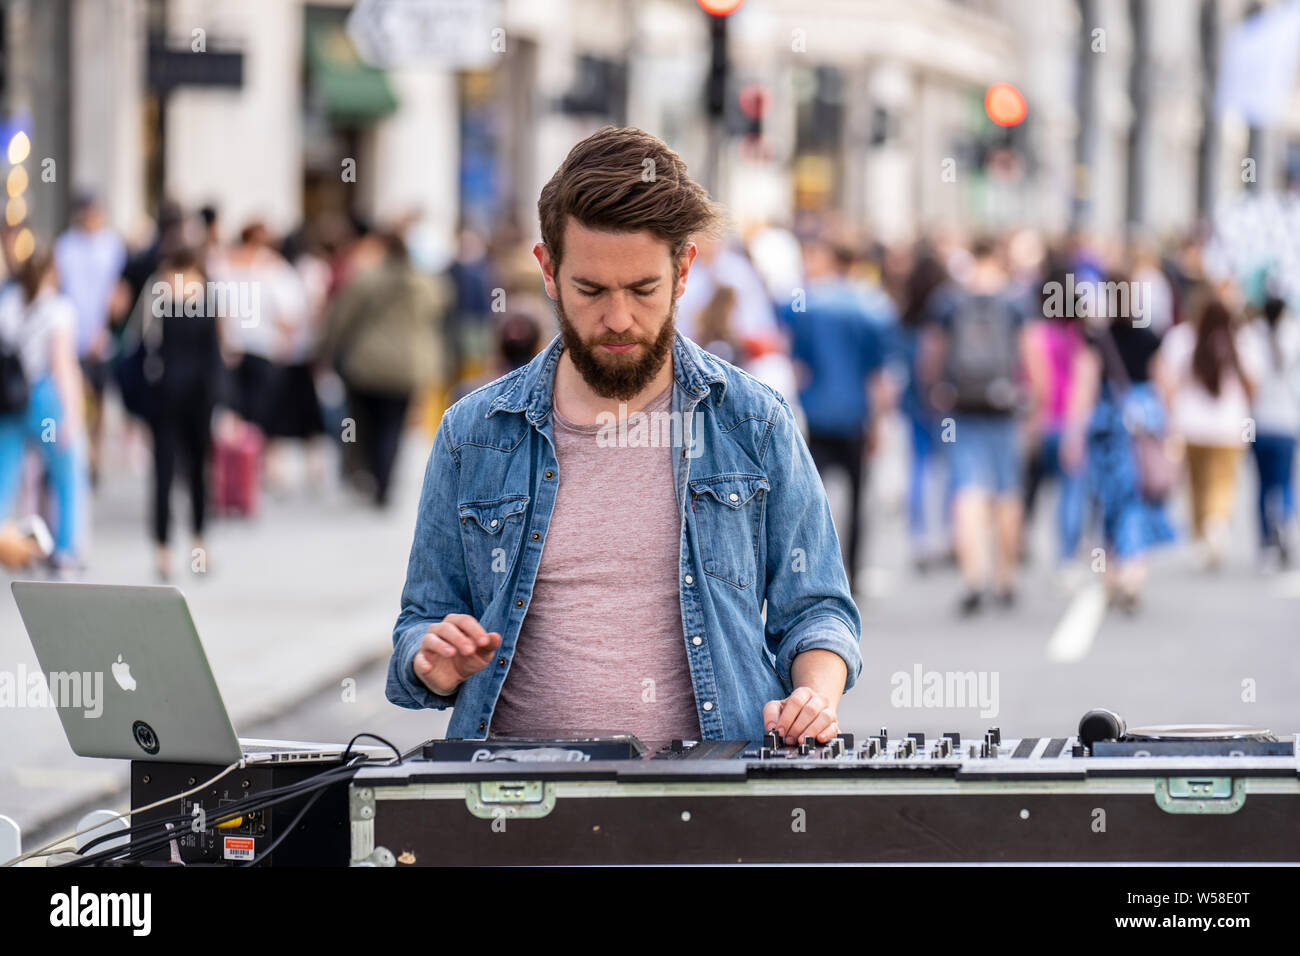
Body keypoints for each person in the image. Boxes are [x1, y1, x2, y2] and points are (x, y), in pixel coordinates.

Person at [385, 125, 862, 745]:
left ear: (683, 270)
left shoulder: (755, 421)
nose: (618, 319)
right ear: (548, 271)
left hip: (711, 807)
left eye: (643, 290)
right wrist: (434, 660)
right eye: (590, 290)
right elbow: (420, 624)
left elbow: (819, 608)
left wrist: (814, 696)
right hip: (516, 813)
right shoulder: (473, 433)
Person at [921, 236, 1030, 614]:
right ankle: (1006, 577)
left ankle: (973, 577)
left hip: (960, 405)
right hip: (1003, 406)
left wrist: (933, 391)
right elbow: (1031, 355)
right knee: (1006, 492)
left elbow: (933, 350)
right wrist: (1034, 402)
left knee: (966, 491)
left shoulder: (950, 300)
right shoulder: (1016, 300)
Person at [778, 235, 889, 596]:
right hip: (855, 416)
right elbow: (877, 375)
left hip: (818, 414)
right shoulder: (869, 307)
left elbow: (798, 365)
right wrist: (878, 422)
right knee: (858, 499)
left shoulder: (808, 306)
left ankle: (810, 571)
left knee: (810, 501)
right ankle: (852, 574)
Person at [318, 230, 447, 507]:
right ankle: (385, 483)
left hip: (367, 364)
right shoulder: (425, 282)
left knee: (366, 424)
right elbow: (439, 310)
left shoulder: (367, 278)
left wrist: (327, 348)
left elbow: (343, 317)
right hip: (408, 365)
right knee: (394, 425)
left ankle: (371, 474)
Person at [124, 248, 226, 580]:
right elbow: (215, 353)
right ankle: (198, 547)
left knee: (164, 474)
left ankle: (163, 552)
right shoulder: (206, 294)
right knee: (197, 472)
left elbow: (134, 345)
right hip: (197, 397)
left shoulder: (158, 293)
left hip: (164, 396)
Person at [1072, 294, 1175, 612]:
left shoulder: (1098, 340)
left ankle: (1112, 576)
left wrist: (1074, 434)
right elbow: (1166, 385)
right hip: (1143, 431)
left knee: (1107, 505)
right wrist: (1170, 430)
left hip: (1107, 432)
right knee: (1138, 504)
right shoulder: (1149, 338)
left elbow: (1084, 387)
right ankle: (1133, 574)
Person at [1155, 292, 1265, 569]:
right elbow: (1254, 385)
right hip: (1229, 426)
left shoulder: (1181, 339)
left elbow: (1167, 382)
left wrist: (1169, 416)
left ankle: (1203, 533)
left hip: (1190, 426)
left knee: (1196, 485)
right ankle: (1215, 525)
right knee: (1223, 483)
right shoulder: (1241, 340)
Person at [0, 247, 86, 569]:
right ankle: (64, 548)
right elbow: (62, 365)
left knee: (5, 474)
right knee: (64, 471)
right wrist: (73, 415)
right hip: (43, 402)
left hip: (9, 403)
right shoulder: (58, 308)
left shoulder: (8, 303)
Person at [54, 191, 126, 487]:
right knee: (76, 399)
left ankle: (94, 454)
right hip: (72, 336)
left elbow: (119, 292)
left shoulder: (112, 246)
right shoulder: (66, 247)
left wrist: (107, 326)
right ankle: (81, 455)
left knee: (98, 398)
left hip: (101, 336)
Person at [1020, 261, 1088, 573]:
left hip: (1043, 422)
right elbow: (1085, 384)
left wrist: (1031, 425)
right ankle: (1065, 557)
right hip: (1070, 422)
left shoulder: (1035, 334)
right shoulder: (1079, 337)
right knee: (1071, 491)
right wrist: (1077, 424)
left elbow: (1039, 386)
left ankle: (1021, 539)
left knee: (1030, 484)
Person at [1244, 295, 1300, 566]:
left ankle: (1267, 540)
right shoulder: (1293, 335)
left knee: (1263, 484)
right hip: (1287, 421)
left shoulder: (1251, 336)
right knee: (1285, 481)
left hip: (1257, 422)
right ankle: (1285, 520)